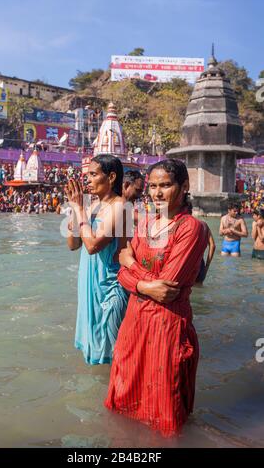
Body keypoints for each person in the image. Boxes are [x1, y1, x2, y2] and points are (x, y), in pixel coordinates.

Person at [105, 159, 208, 437]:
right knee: (125, 402)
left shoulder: (191, 228)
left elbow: (167, 288)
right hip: (134, 323)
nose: (157, 193)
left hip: (167, 327)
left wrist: (131, 266)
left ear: (184, 187)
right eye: (152, 186)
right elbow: (121, 276)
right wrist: (142, 282)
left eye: (166, 185)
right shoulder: (145, 224)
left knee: (164, 411)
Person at [65, 154, 129, 365]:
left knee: (113, 357)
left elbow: (92, 246)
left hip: (109, 289)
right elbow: (74, 245)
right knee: (94, 355)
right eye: (87, 175)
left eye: (93, 174)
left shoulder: (120, 207)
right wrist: (76, 212)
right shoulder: (92, 207)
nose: (88, 180)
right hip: (90, 287)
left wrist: (78, 208)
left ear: (111, 177)